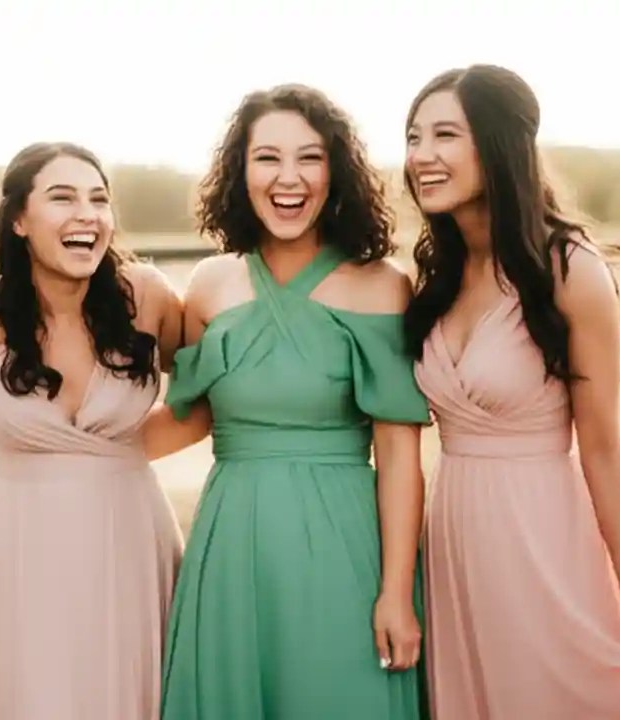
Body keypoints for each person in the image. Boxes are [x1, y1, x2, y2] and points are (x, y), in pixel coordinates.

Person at [403, 63, 620, 719]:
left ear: (500, 142)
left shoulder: (571, 271)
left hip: (544, 534)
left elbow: (602, 444)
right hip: (456, 534)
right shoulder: (437, 272)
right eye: (414, 137)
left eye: (445, 135)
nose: (422, 156)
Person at [143, 84, 430, 719]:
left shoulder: (382, 288)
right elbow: (192, 419)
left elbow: (400, 455)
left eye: (310, 157)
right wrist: (65, 453)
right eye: (267, 157)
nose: (289, 177)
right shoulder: (210, 284)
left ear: (337, 172)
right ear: (240, 171)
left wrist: (395, 592)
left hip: (345, 546)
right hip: (233, 544)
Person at [0, 141, 184, 719]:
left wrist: (113, 454)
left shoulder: (151, 298)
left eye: (99, 199)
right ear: (18, 219)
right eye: (62, 198)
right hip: (20, 546)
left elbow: (208, 403)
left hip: (132, 534)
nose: (87, 214)